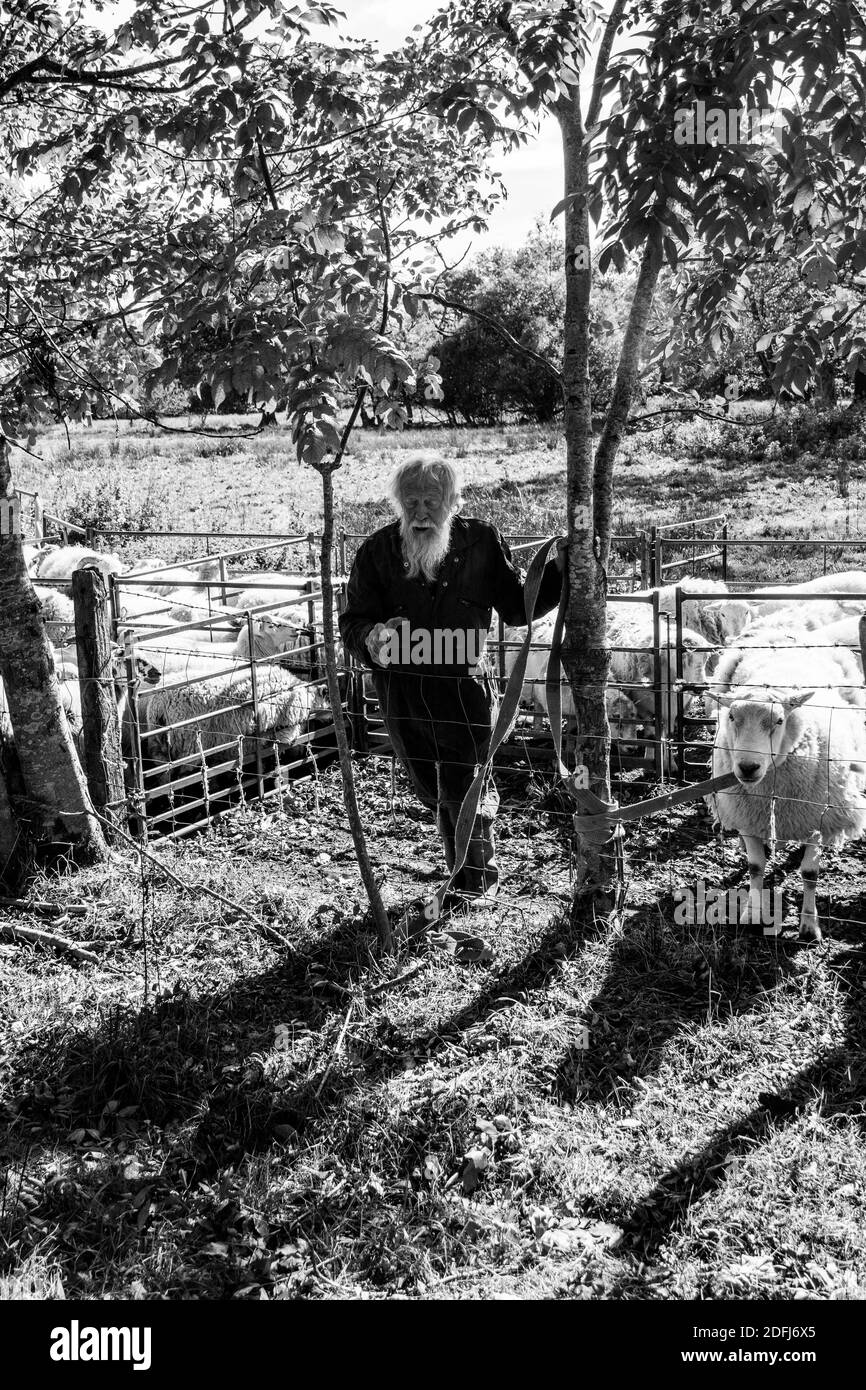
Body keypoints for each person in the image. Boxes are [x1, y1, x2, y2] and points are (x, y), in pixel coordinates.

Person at [339, 453, 565, 923]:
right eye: (412, 502)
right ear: (399, 504)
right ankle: (464, 864)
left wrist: (559, 572)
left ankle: (473, 877)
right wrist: (373, 638)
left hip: (463, 688)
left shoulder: (480, 541)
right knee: (431, 788)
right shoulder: (377, 552)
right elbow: (353, 620)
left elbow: (518, 609)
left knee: (462, 786)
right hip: (402, 692)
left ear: (453, 502)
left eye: (432, 501)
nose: (421, 512)